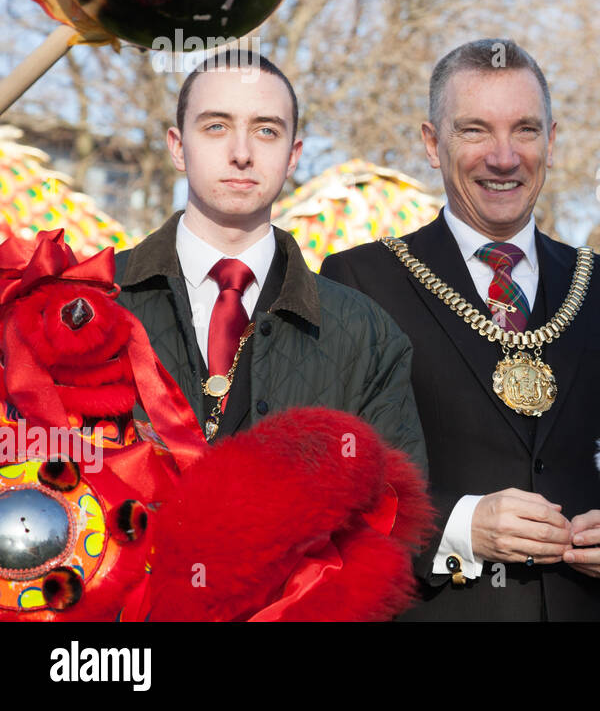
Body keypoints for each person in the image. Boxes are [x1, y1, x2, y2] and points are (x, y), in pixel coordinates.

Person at [320, 38, 600, 621]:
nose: (504, 158)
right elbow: (338, 489)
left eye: (525, 130)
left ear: (552, 142)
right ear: (433, 144)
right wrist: (461, 528)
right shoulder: (360, 280)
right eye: (475, 131)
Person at [114, 47, 426, 470]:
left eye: (266, 131)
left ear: (293, 155)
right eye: (216, 126)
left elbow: (395, 514)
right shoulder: (95, 299)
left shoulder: (365, 334)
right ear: (178, 147)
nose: (241, 153)